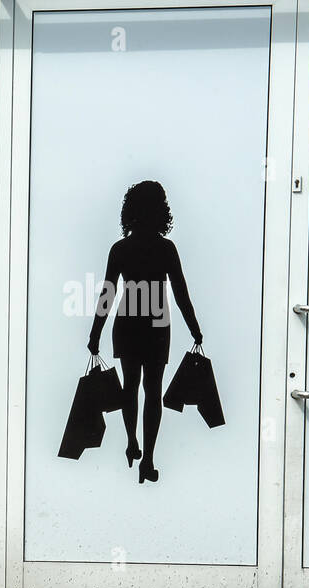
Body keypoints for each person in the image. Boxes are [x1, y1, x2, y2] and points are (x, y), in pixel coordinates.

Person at [87, 180, 202, 484]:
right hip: (156, 324)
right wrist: (195, 329)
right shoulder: (166, 249)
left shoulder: (121, 249)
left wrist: (95, 334)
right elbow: (181, 294)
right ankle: (148, 457)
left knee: (130, 386)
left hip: (127, 323)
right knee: (153, 389)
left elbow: (107, 295)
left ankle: (131, 441)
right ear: (160, 210)